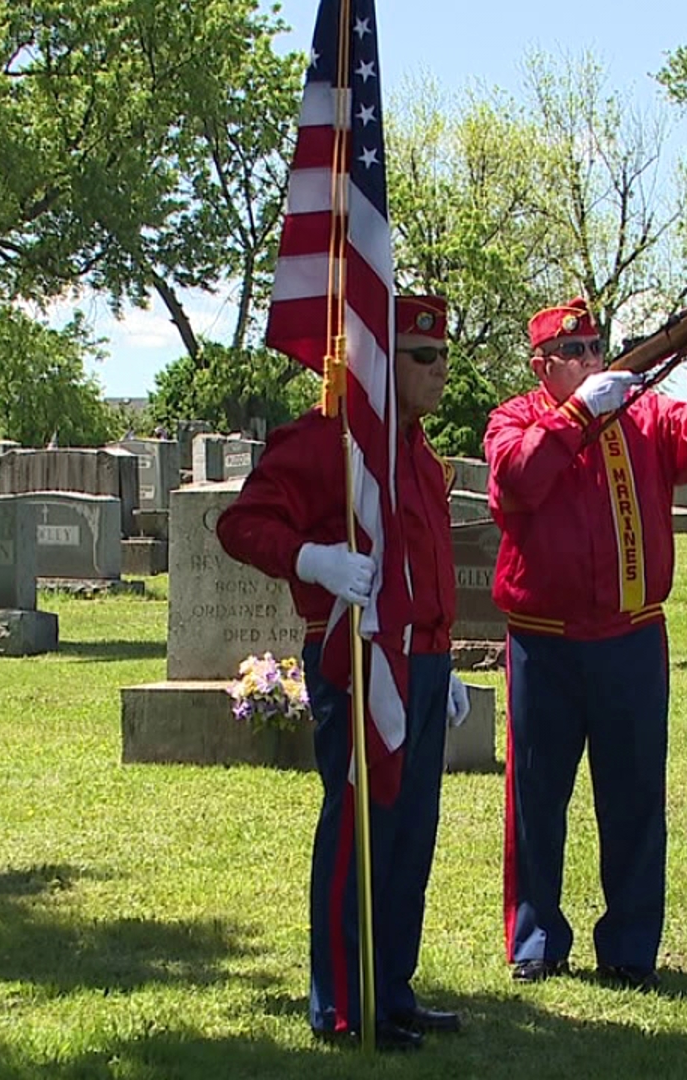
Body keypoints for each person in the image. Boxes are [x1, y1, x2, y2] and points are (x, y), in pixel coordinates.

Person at [216, 295, 471, 1051]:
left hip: (420, 664)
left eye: (442, 355)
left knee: (411, 836)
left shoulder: (418, 450)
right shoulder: (333, 444)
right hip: (359, 662)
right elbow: (241, 523)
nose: (439, 370)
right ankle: (340, 1000)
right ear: (383, 363)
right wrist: (312, 560)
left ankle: (391, 988)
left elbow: (423, 563)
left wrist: (441, 652)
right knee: (361, 829)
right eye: (422, 357)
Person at [487, 294, 687, 990]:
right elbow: (517, 479)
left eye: (596, 348)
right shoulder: (516, 419)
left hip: (629, 639)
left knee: (633, 797)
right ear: (543, 366)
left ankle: (631, 944)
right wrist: (577, 416)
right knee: (537, 798)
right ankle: (536, 937)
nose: (590, 361)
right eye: (573, 353)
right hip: (544, 642)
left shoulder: (645, 417)